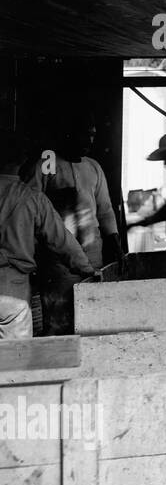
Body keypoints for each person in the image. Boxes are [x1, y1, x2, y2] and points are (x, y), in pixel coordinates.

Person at [23, 110, 121, 334]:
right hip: (58, 261)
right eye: (83, 135)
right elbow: (29, 204)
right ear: (67, 135)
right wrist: (54, 197)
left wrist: (114, 241)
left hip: (93, 256)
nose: (89, 140)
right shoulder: (48, 162)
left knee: (90, 316)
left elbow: (105, 210)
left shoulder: (93, 167)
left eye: (93, 135)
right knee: (59, 318)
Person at [0, 132, 96, 339]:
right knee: (14, 363)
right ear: (24, 161)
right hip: (12, 290)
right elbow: (61, 240)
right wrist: (86, 268)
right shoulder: (32, 198)